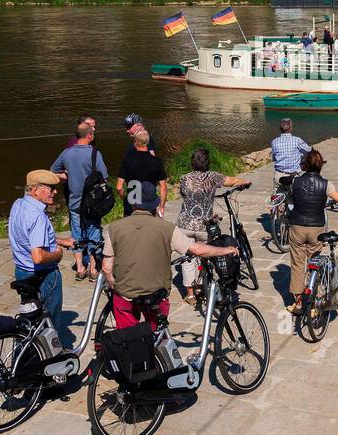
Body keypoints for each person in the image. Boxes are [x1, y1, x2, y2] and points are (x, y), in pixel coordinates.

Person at [101, 194, 237, 331]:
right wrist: (225, 250)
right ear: (155, 207)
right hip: (156, 295)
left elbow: (106, 268)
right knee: (156, 333)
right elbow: (197, 249)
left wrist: (116, 286)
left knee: (127, 337)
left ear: (133, 205)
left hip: (125, 294)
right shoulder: (167, 228)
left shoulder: (114, 228)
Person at [286, 149, 338, 315]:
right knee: (315, 263)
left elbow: (288, 195)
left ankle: (297, 303)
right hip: (316, 228)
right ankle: (314, 301)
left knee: (297, 264)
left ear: (304, 165)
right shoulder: (326, 184)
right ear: (320, 166)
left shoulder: (295, 182)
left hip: (297, 226)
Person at [9, 169, 77, 347]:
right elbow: (38, 257)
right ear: (35, 190)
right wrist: (57, 254)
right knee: (50, 324)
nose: (55, 192)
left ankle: (25, 357)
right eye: (51, 188)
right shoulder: (38, 216)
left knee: (29, 319)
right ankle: (50, 362)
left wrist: (61, 241)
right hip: (43, 276)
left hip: (22, 271)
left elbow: (29, 237)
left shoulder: (18, 205)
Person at [176, 147, 250, 304]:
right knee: (205, 254)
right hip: (204, 225)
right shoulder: (213, 177)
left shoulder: (184, 178)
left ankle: (190, 295)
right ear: (207, 163)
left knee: (187, 258)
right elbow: (232, 181)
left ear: (192, 163)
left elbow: (183, 195)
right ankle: (205, 286)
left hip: (185, 224)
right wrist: (245, 181)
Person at [50, 121, 109, 279]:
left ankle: (80, 268)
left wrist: (69, 176)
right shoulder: (94, 153)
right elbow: (104, 176)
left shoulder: (67, 153)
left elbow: (53, 171)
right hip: (92, 203)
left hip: (74, 203)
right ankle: (93, 268)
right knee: (94, 234)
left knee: (76, 235)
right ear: (89, 135)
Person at [116, 128, 166, 217]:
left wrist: (125, 199)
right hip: (149, 201)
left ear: (135, 142)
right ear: (147, 142)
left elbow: (119, 187)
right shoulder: (157, 161)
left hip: (132, 200)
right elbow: (163, 187)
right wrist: (161, 206)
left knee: (130, 229)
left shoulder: (128, 160)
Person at [269, 118, 311, 186]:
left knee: (277, 195)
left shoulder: (274, 142)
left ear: (280, 129)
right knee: (296, 195)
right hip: (294, 176)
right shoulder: (297, 140)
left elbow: (274, 158)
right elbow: (310, 151)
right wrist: (301, 155)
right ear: (291, 128)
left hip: (279, 175)